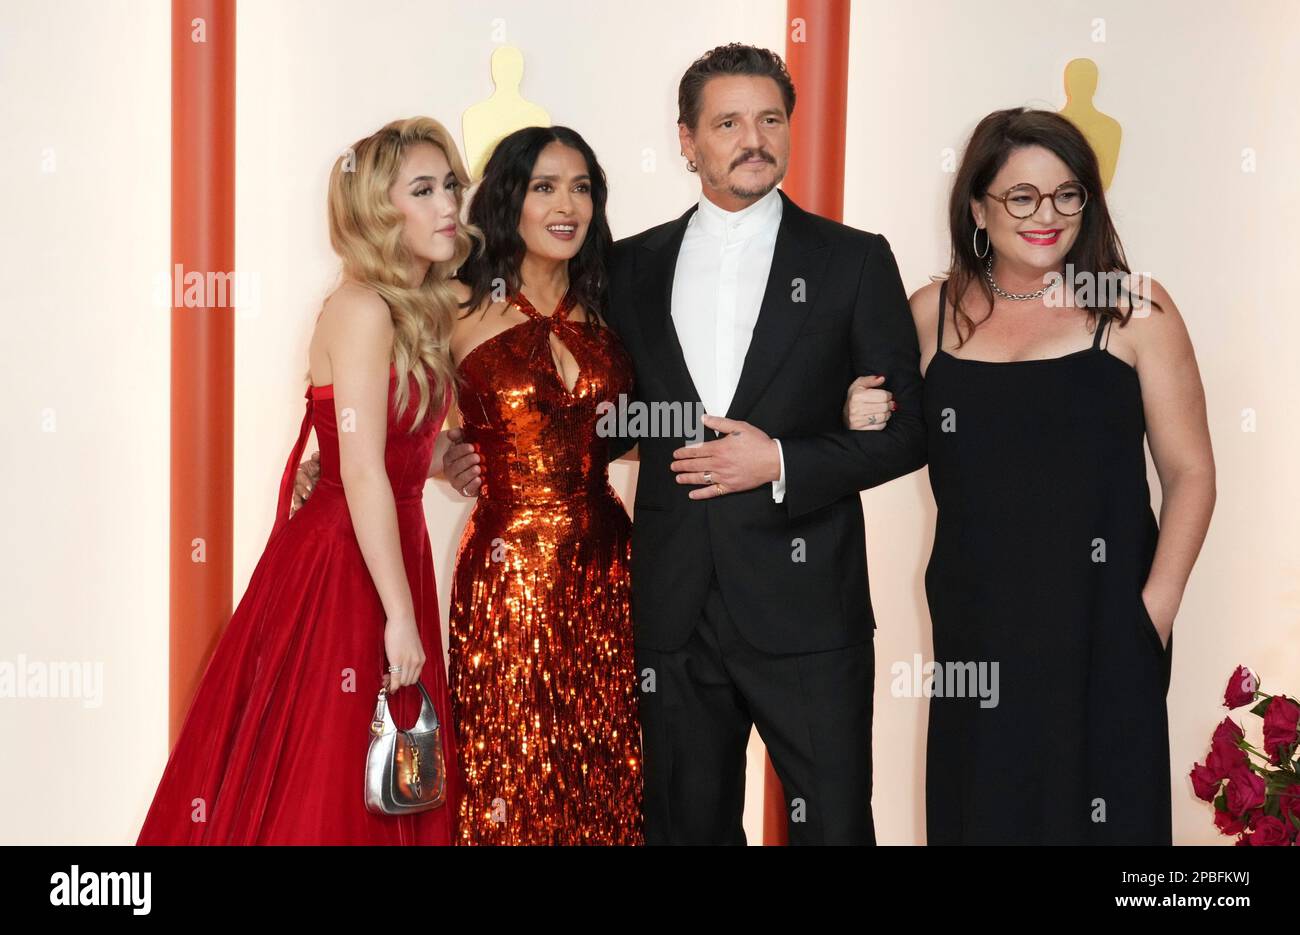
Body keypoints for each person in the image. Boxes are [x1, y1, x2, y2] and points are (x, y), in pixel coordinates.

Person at [446, 44, 922, 845]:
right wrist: (464, 450)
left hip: (808, 611)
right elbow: (593, 407)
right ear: (686, 140)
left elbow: (910, 430)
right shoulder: (626, 268)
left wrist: (783, 459)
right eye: (728, 122)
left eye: (771, 119)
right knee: (681, 830)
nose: (754, 138)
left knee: (835, 829)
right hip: (668, 608)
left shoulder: (854, 259)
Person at [875, 107, 1214, 844]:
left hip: (1103, 626)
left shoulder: (1137, 309)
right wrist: (852, 403)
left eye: (1067, 194)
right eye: (1021, 196)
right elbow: (879, 433)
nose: (1047, 215)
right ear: (977, 205)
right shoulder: (930, 315)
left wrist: (1151, 613)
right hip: (979, 630)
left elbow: (1190, 473)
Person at [137, 116, 472, 844]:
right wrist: (400, 613)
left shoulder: (417, 310)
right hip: (343, 563)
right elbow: (359, 468)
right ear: (378, 213)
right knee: (329, 769)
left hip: (385, 545)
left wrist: (444, 460)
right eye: (424, 189)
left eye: (451, 184)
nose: (448, 204)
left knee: (378, 766)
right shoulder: (360, 309)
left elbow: (390, 448)